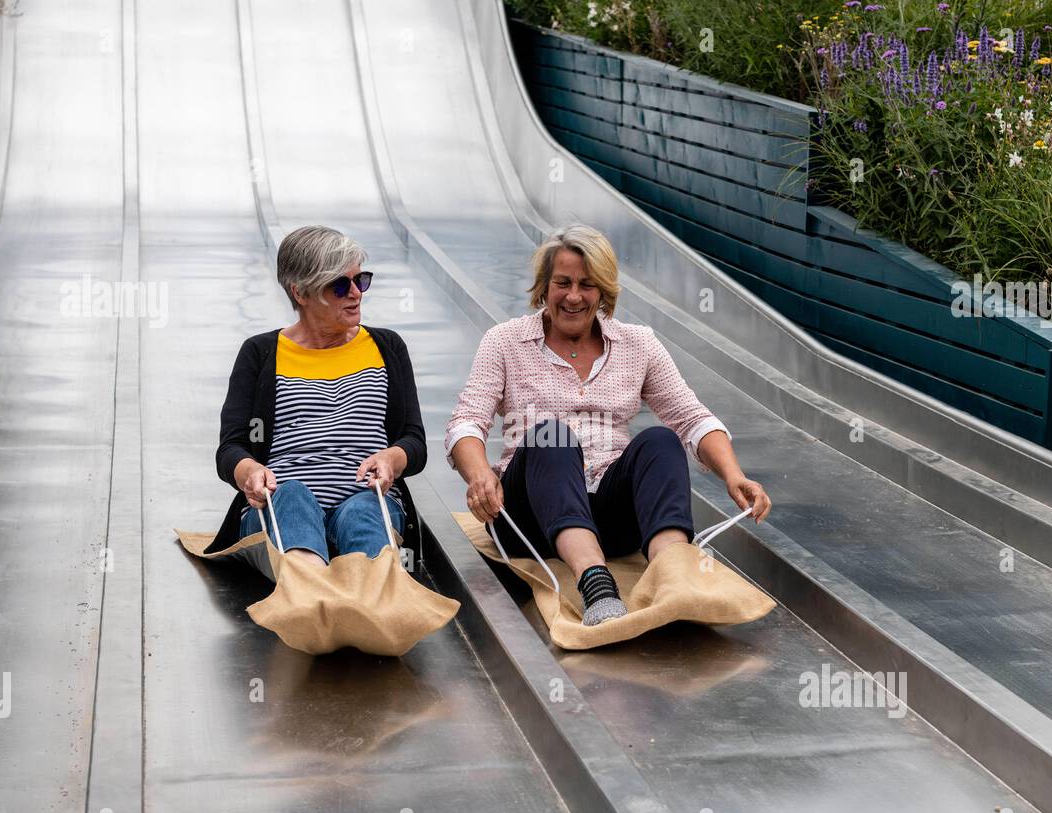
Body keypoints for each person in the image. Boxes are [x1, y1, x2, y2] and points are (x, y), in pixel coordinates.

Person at [446, 224, 770, 626]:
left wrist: (733, 474)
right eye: (562, 283)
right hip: (530, 513)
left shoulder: (638, 344)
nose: (574, 296)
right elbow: (467, 422)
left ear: (603, 291)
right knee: (552, 435)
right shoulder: (505, 341)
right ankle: (594, 581)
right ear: (544, 287)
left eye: (587, 284)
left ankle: (674, 574)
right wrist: (479, 476)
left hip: (611, 512)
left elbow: (692, 417)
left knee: (660, 440)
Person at [204, 225, 427, 568]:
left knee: (364, 511)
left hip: (366, 496)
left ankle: (367, 580)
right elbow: (231, 448)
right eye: (339, 285)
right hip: (283, 500)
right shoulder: (261, 353)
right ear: (301, 293)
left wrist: (391, 459)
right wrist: (249, 471)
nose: (355, 293)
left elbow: (414, 441)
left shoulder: (387, 347)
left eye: (360, 280)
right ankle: (308, 582)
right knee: (292, 496)